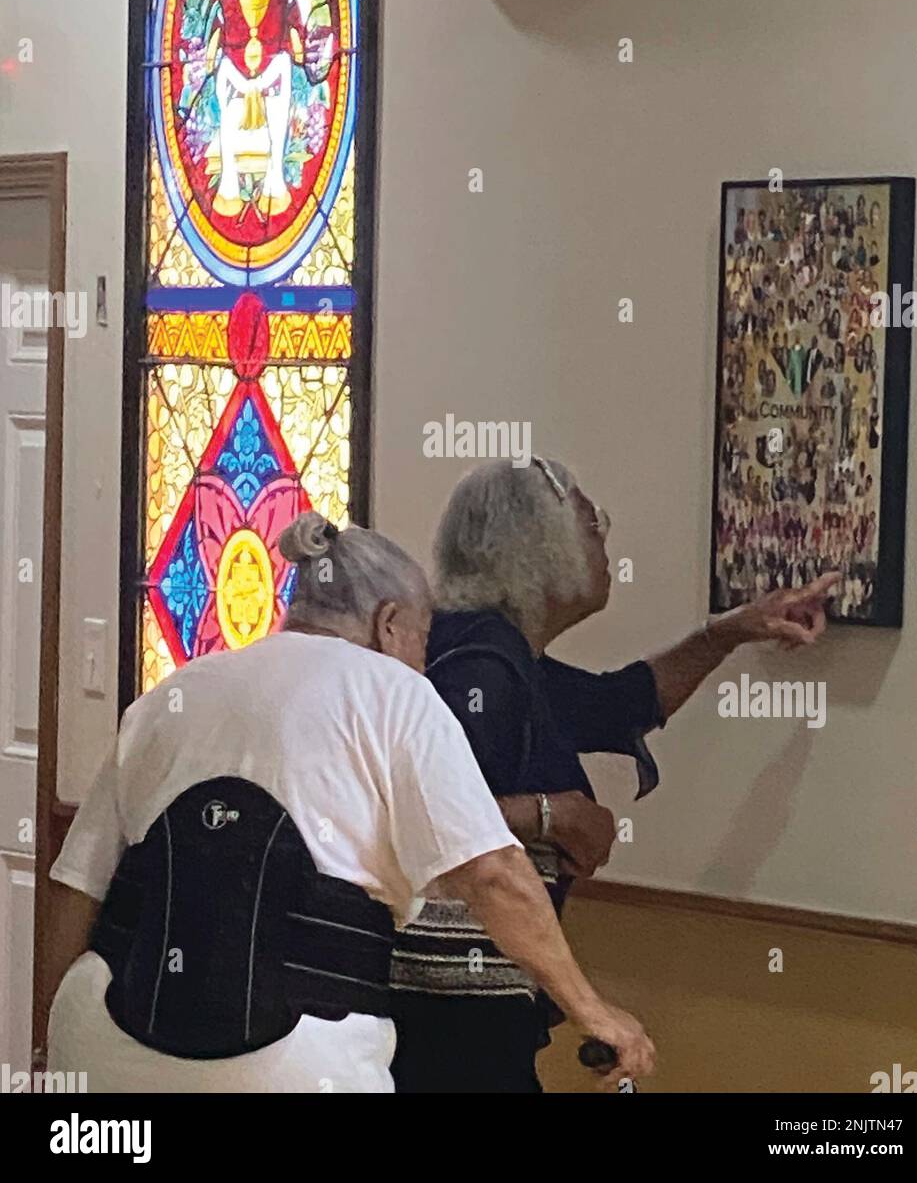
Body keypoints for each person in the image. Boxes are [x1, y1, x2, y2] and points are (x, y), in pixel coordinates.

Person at [46, 512, 653, 1093]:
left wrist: (47, 1054)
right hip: (290, 1060)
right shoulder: (397, 695)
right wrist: (592, 1010)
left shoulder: (170, 695)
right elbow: (494, 876)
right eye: (423, 639)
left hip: (101, 1043)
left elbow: (78, 888)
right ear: (389, 623)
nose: (425, 661)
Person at [390, 459, 837, 1093]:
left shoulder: (504, 652)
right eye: (591, 524)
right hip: (447, 1007)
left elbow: (620, 704)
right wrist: (559, 814)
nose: (604, 542)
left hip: (477, 1002)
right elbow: (424, 815)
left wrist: (733, 631)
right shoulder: (478, 668)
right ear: (539, 548)